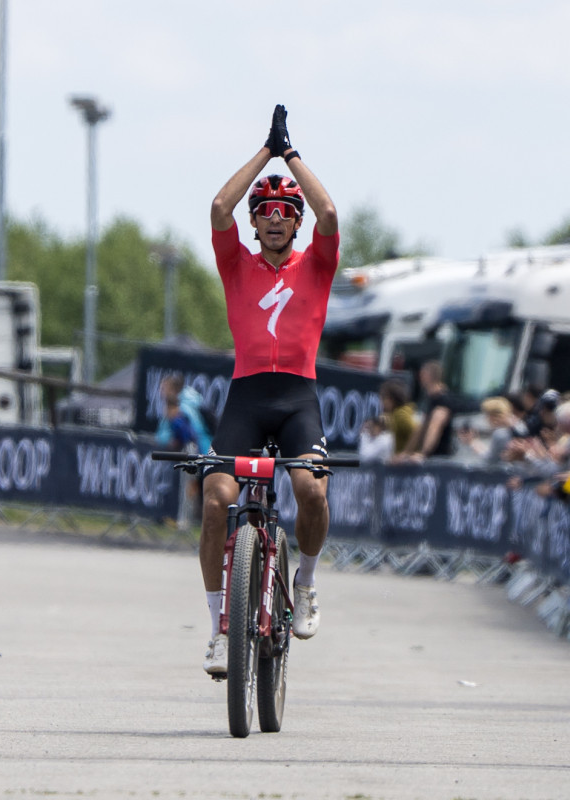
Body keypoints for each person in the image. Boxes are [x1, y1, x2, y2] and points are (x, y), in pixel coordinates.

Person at [199, 105, 340, 677]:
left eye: (285, 213)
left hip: (297, 398)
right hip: (247, 398)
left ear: (295, 223)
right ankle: (217, 629)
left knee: (311, 492)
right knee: (215, 502)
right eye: (265, 214)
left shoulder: (316, 266)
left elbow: (329, 210)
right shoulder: (236, 265)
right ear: (255, 224)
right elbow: (216, 208)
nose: (275, 220)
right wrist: (264, 149)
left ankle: (303, 583)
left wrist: (292, 155)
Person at [396, 361, 455, 461]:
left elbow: (435, 426)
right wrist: (406, 453)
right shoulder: (431, 399)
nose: (420, 379)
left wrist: (423, 454)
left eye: (421, 375)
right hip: (430, 457)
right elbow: (420, 428)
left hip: (438, 457)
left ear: (426, 376)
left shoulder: (442, 400)